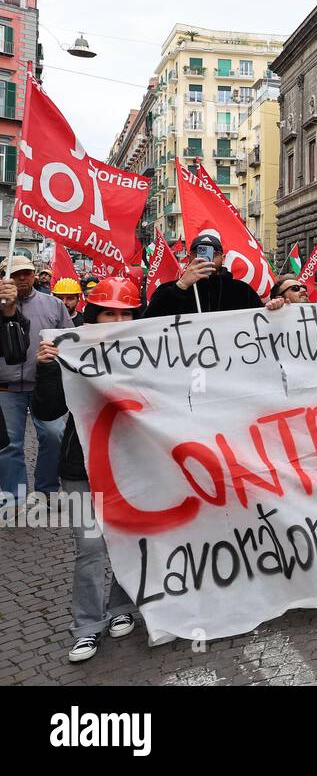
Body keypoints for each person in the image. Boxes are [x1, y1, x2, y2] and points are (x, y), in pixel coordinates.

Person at [32, 278, 141, 663]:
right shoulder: (68, 351)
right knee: (90, 547)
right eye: (109, 311)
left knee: (129, 540)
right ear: (93, 315)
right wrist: (46, 370)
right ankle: (87, 627)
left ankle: (121, 607)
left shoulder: (146, 352)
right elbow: (48, 411)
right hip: (80, 468)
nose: (117, 319)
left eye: (125, 313)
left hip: (132, 465)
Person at [0, 255, 73, 509]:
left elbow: (70, 340)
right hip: (5, 387)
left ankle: (48, 490)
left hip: (44, 384)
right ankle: (14, 498)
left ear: (34, 274)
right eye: (16, 273)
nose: (22, 278)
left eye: (27, 273)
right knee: (10, 445)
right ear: (4, 276)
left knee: (54, 435)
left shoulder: (53, 305)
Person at [144, 232, 267, 317]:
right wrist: (180, 286)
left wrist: (274, 309)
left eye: (214, 253)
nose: (207, 259)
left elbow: (262, 321)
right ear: (189, 257)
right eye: (199, 252)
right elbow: (148, 321)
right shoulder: (168, 290)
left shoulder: (242, 291)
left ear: (223, 258)